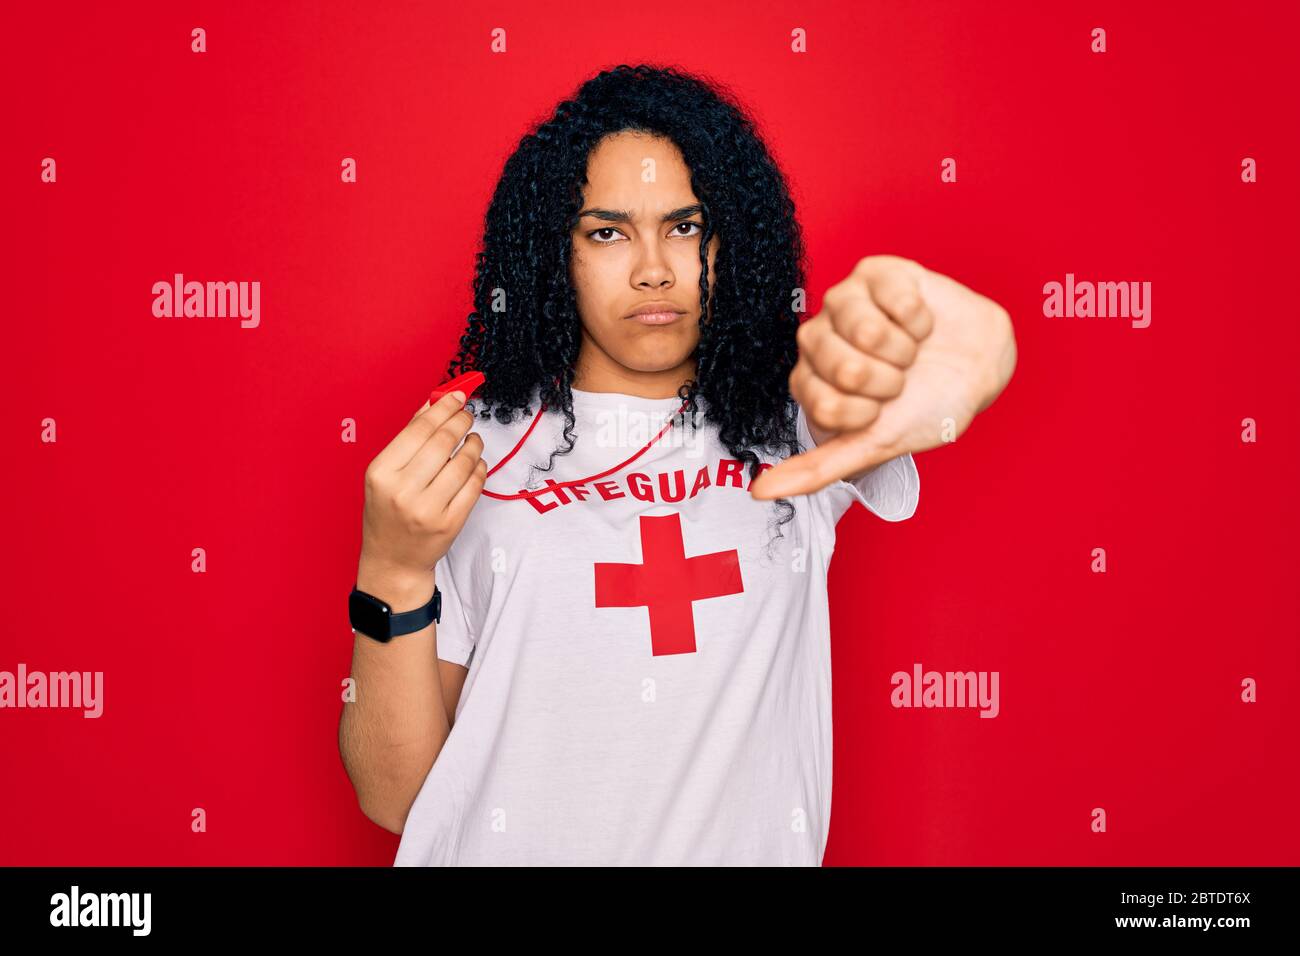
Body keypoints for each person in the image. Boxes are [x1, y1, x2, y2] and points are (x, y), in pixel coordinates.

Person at [338, 64, 1016, 865]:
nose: (654, 268)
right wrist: (390, 569)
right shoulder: (467, 454)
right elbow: (395, 800)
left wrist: (977, 347)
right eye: (607, 232)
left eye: (686, 226)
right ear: (555, 256)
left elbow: (931, 373)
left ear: (733, 241)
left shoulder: (792, 420)